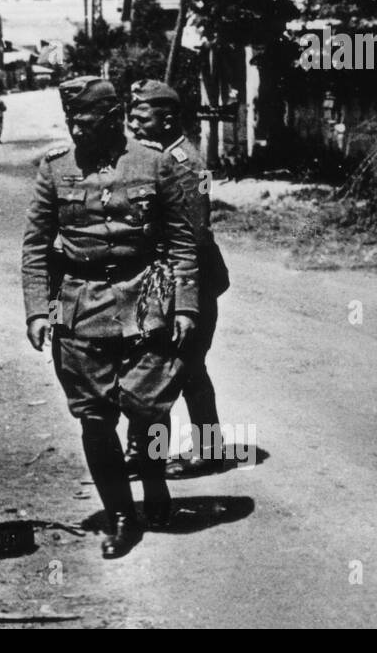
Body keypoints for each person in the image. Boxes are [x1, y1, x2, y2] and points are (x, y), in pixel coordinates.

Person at [22, 76, 201, 558]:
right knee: (95, 419)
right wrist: (38, 310)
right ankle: (122, 516)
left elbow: (184, 242)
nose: (77, 133)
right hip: (81, 306)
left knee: (149, 406)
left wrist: (185, 304)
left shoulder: (154, 163)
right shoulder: (55, 170)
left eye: (85, 123)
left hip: (145, 301)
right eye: (70, 124)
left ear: (112, 117)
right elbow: (36, 247)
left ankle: (155, 481)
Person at [127, 79, 231, 477]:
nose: (134, 126)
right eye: (132, 119)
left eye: (141, 118)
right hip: (167, 279)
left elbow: (193, 234)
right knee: (155, 367)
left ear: (167, 119)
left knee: (182, 367)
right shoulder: (158, 157)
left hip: (189, 280)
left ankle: (206, 450)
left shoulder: (184, 165)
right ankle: (143, 454)